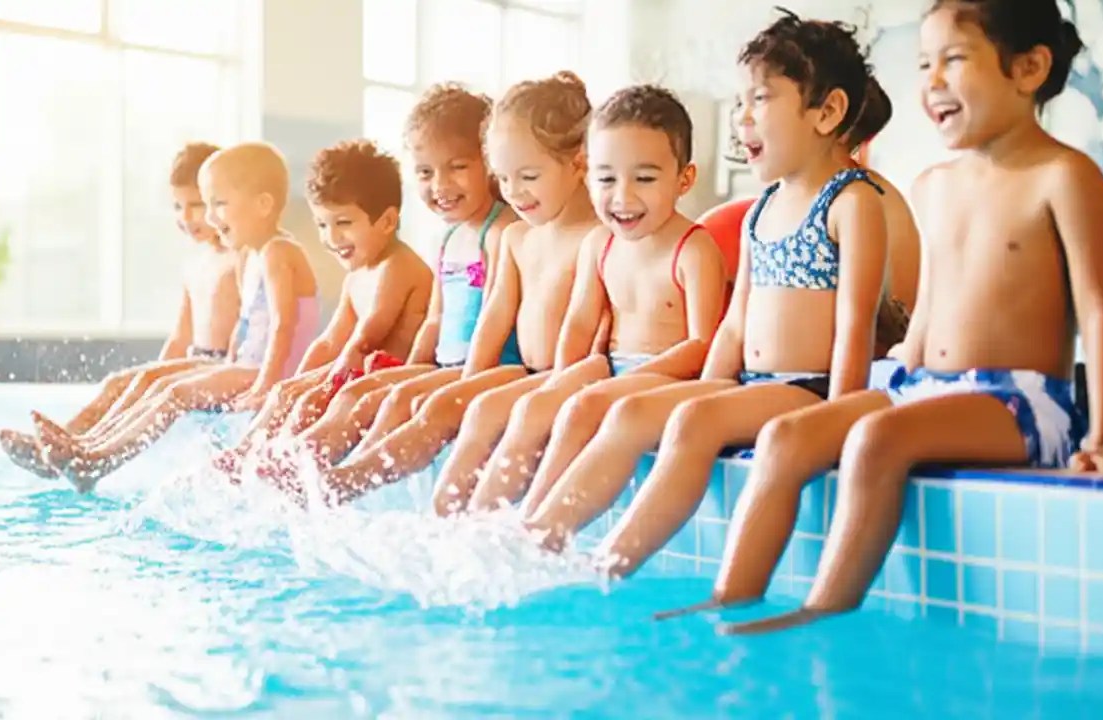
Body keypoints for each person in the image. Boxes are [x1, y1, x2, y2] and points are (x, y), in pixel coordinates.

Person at [695, 0, 1103, 634]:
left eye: (954, 60)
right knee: (789, 436)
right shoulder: (933, 183)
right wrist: (893, 376)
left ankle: (823, 607)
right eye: (925, 63)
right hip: (923, 386)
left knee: (876, 441)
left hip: (1020, 403)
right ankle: (729, 598)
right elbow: (930, 309)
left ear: (1029, 68)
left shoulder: (1064, 176)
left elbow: (1100, 312)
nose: (931, 81)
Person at [526, 11, 891, 575]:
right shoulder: (761, 210)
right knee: (634, 413)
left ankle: (609, 565)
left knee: (693, 425)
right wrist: (709, 388)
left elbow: (856, 321)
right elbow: (736, 325)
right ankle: (536, 539)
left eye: (760, 100)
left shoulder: (851, 202)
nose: (741, 119)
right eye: (739, 103)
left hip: (808, 390)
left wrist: (838, 420)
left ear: (828, 112)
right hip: (749, 384)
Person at [294, 71, 602, 508]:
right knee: (388, 394)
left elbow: (586, 327)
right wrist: (434, 373)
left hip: (533, 375)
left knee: (445, 407)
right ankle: (320, 469)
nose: (513, 191)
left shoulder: (535, 234)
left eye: (458, 167)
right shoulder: (513, 237)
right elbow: (485, 314)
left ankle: (355, 483)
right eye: (507, 177)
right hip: (481, 371)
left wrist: (467, 383)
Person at [452, 84, 729, 514]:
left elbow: (705, 345)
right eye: (606, 179)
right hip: (609, 369)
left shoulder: (694, 249)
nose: (622, 197)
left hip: (667, 376)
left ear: (684, 179)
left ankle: (538, 517)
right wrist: (560, 379)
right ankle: (479, 518)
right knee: (533, 406)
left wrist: (617, 379)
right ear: (587, 171)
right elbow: (580, 325)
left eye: (645, 178)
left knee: (582, 408)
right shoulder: (602, 244)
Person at [253, 83, 520, 477]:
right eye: (426, 172)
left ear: (491, 162)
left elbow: (497, 318)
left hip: (487, 371)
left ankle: (335, 476)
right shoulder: (446, 238)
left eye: (458, 167)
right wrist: (407, 374)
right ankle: (283, 463)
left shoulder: (501, 233)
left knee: (377, 400)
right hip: (444, 367)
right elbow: (434, 322)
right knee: (365, 394)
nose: (441, 185)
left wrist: (452, 380)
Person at [30, 141, 322, 490]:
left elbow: (283, 324)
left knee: (175, 393)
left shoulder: (278, 252)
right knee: (160, 385)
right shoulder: (253, 255)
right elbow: (245, 326)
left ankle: (96, 460)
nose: (211, 217)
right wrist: (229, 360)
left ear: (262, 205)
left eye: (218, 204)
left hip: (266, 373)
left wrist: (265, 386)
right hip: (245, 366)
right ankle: (87, 447)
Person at [0, 142, 241, 479]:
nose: (185, 218)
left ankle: (84, 452)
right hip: (194, 361)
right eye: (177, 206)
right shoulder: (196, 265)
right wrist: (151, 378)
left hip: (220, 366)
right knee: (119, 383)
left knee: (141, 382)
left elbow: (252, 330)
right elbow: (180, 336)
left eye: (197, 205)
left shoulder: (239, 259)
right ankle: (61, 445)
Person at [215, 138, 435, 481]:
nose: (332, 237)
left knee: (321, 399)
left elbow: (369, 334)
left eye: (344, 223)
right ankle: (246, 452)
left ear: (388, 221)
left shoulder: (399, 267)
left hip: (391, 374)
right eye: (322, 225)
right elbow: (331, 341)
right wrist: (298, 379)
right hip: (361, 368)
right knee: (288, 392)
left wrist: (323, 382)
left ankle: (292, 465)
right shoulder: (357, 276)